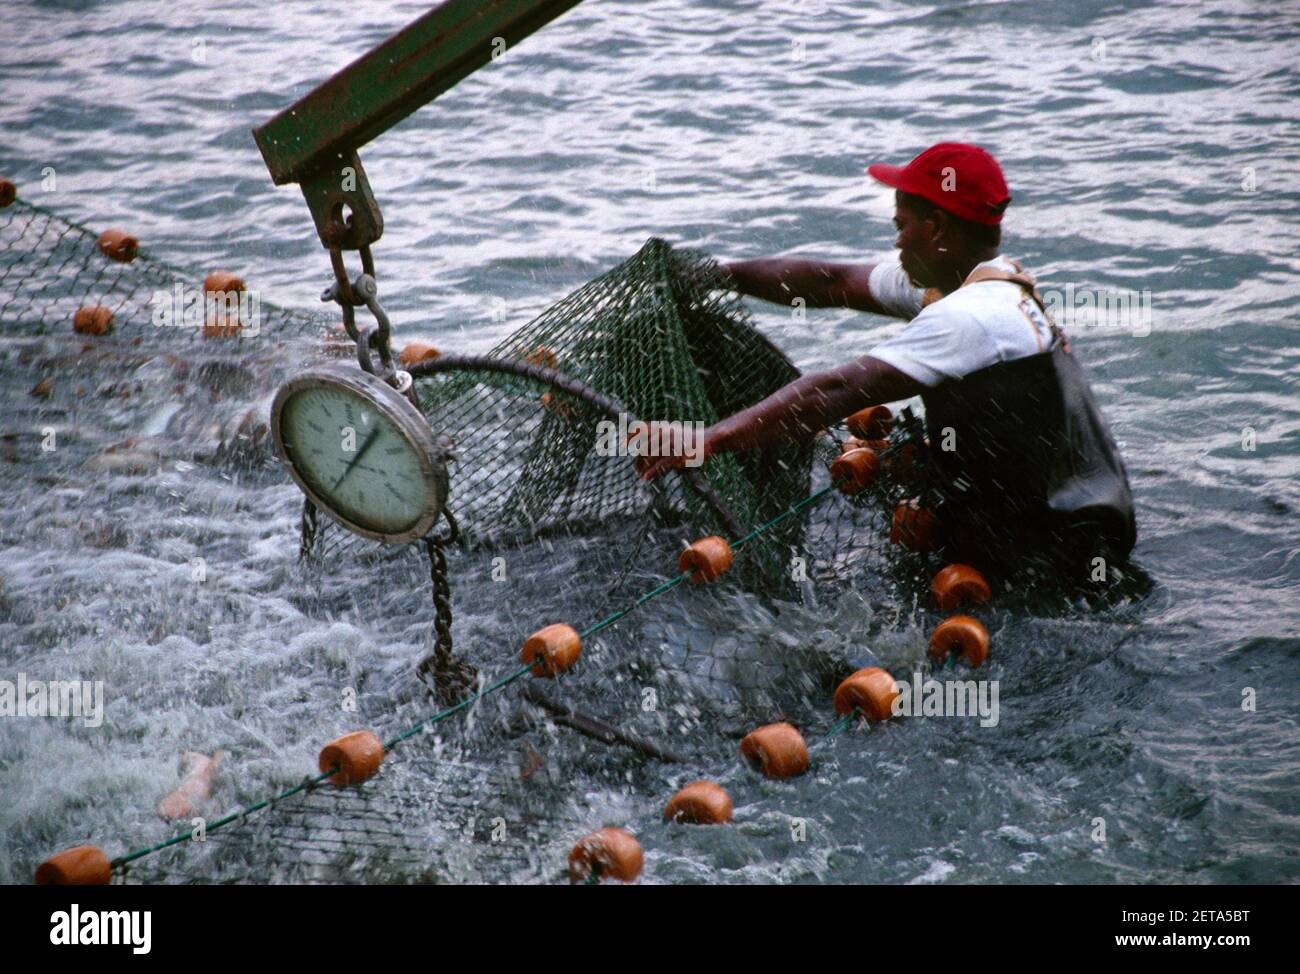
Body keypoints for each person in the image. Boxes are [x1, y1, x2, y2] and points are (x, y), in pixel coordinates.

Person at [638, 142, 1137, 581]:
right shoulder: (980, 282)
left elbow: (834, 392)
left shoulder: (973, 317)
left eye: (902, 227)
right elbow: (829, 281)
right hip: (1078, 522)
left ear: (936, 227)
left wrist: (706, 440)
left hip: (1050, 560)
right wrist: (715, 276)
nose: (897, 241)